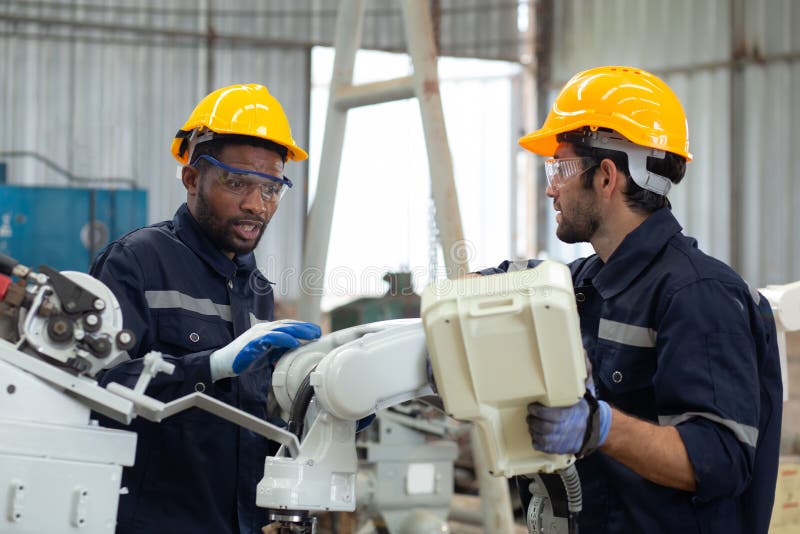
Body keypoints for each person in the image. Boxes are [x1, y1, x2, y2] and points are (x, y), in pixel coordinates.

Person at [478, 66, 782, 533]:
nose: (549, 188)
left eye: (559, 167)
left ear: (606, 177)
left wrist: (600, 428)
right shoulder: (582, 283)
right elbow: (501, 283)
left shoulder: (698, 294)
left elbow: (721, 458)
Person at [91, 83, 321, 534]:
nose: (257, 205)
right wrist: (208, 367)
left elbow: (252, 417)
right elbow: (98, 391)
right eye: (238, 183)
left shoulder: (257, 289)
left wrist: (319, 409)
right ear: (192, 177)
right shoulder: (136, 262)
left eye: (273, 189)